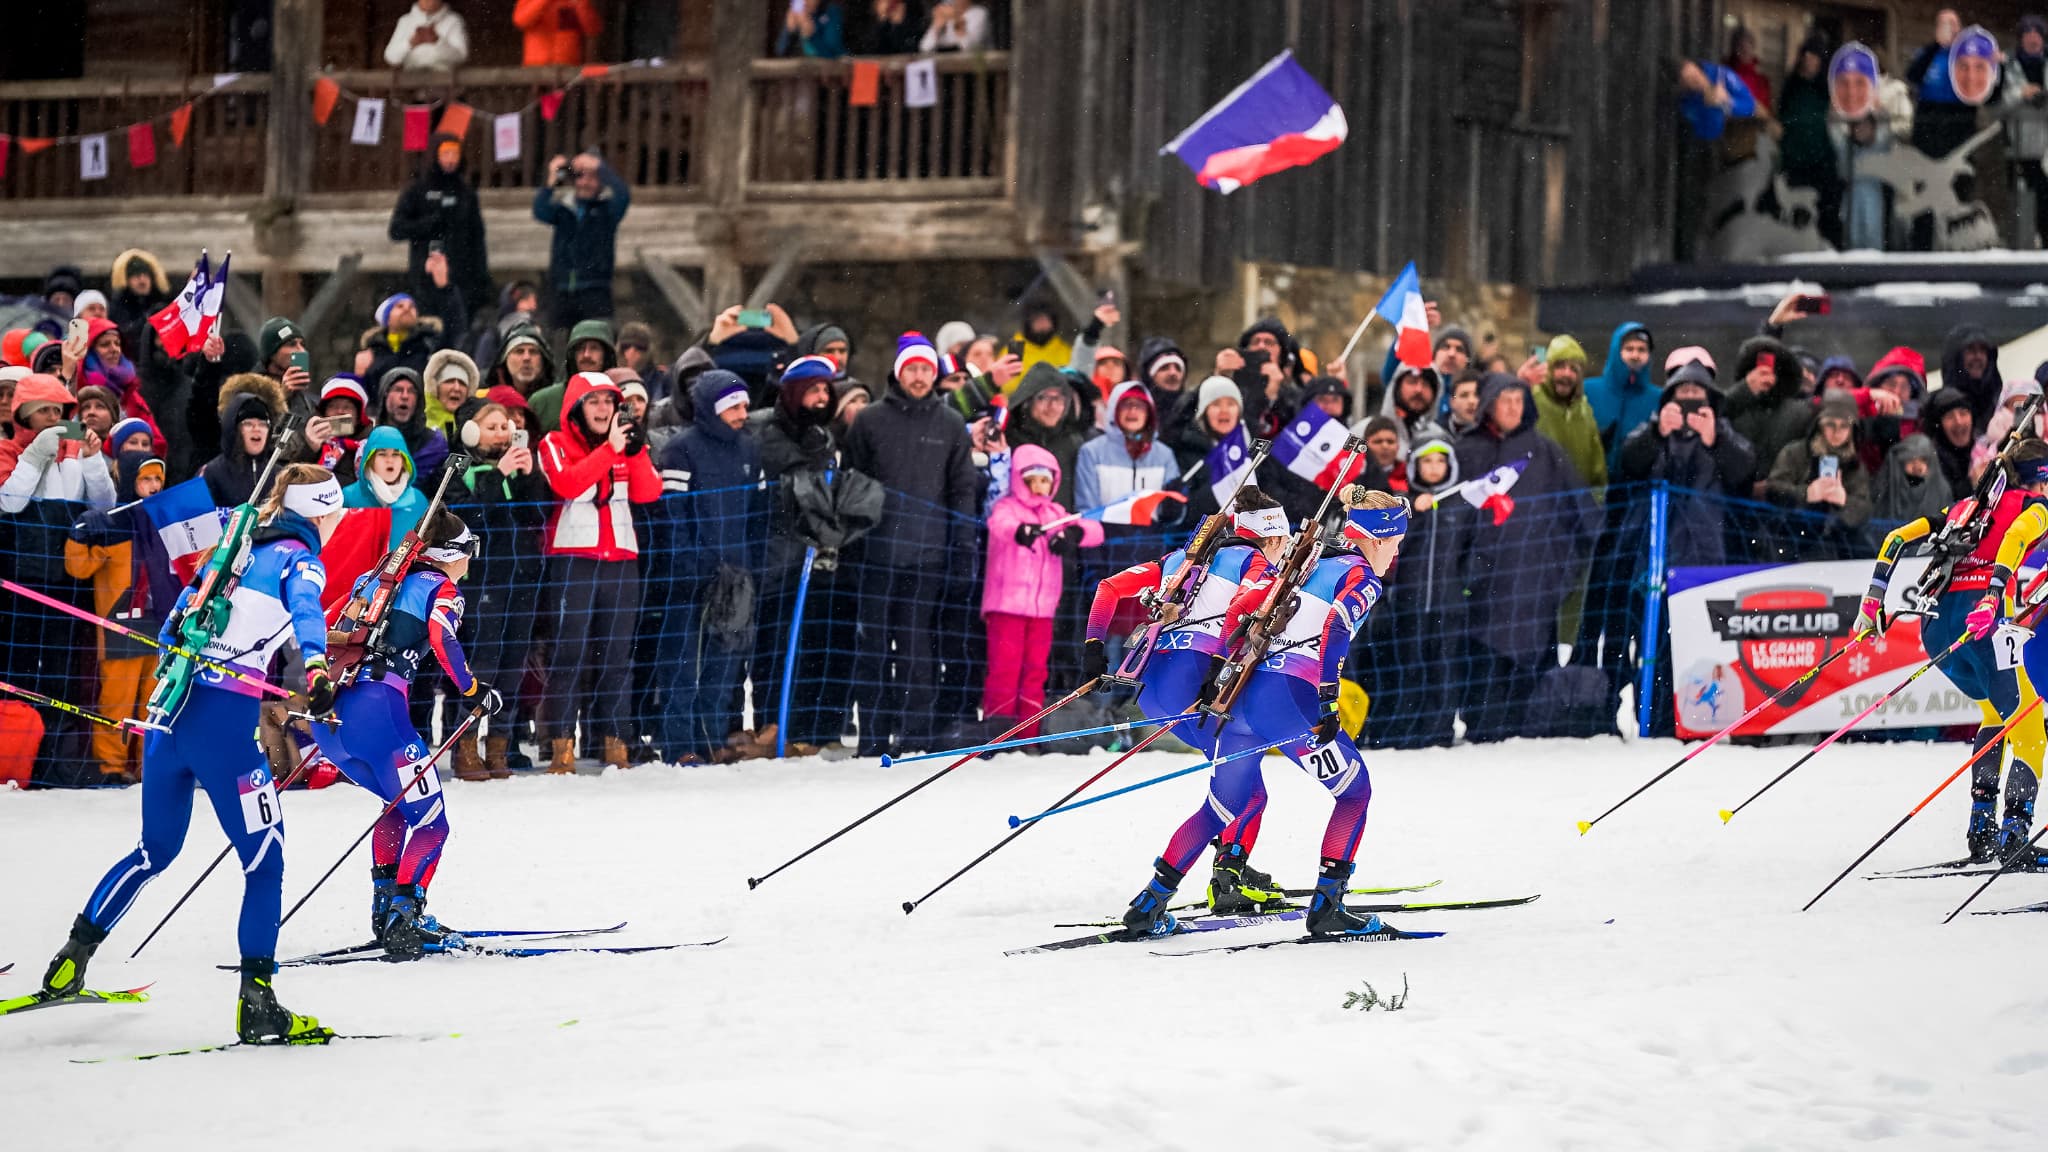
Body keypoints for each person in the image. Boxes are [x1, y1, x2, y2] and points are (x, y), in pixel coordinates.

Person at [36, 463, 346, 1043]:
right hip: (222, 732)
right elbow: (306, 609)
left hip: (169, 715)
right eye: (337, 512)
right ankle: (258, 1003)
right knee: (265, 861)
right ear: (321, 513)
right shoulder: (299, 559)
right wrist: (317, 664)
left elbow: (184, 610)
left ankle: (71, 958)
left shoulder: (234, 548)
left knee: (154, 850)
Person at [1119, 489, 1412, 941]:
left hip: (1245, 700)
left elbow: (1250, 613)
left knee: (1222, 807)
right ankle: (1328, 906)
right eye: (1394, 545)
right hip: (1290, 702)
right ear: (1376, 540)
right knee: (1355, 793)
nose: (1395, 556)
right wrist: (1329, 696)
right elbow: (1335, 624)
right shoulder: (1362, 578)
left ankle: (1150, 903)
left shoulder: (1309, 564)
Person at [1084, 487, 1289, 910]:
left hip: (1154, 690)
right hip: (1195, 688)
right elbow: (1243, 607)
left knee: (1240, 783)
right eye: (1283, 544)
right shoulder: (1254, 560)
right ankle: (1208, 883)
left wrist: (1092, 650)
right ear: (1271, 538)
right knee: (1246, 794)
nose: (1282, 552)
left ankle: (1230, 873)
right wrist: (1216, 669)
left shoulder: (1179, 560)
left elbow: (1108, 588)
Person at [1858, 438, 2048, 864]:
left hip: (1937, 631)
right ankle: (2015, 836)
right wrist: (1992, 595)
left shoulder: (1965, 508)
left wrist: (1872, 602)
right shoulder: (2032, 507)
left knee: (1996, 715)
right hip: (1985, 625)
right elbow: (2017, 537)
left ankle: (1981, 830)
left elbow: (1895, 539)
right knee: (2031, 728)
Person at [320, 509, 496, 956]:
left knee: (396, 806)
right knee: (433, 823)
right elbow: (441, 637)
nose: (471, 563)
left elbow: (332, 626)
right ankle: (405, 917)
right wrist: (474, 690)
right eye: (469, 552)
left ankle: (385, 910)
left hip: (333, 717)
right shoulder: (442, 586)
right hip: (380, 716)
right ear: (450, 554)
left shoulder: (374, 577)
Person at [838, 334, 981, 754]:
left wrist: (961, 552)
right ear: (898, 372)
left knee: (917, 649)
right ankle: (873, 738)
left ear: (934, 374)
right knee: (874, 649)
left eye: (925, 370)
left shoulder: (951, 423)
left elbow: (961, 492)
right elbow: (853, 487)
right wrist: (854, 548)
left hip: (928, 556)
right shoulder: (869, 421)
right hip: (876, 555)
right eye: (911, 369)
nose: (919, 377)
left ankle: (917, 735)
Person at [1454, 372, 1598, 742]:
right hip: (1478, 582)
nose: (1514, 407)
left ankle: (1525, 724)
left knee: (1527, 662)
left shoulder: (1545, 451)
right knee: (1480, 663)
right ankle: (1481, 726)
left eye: (1519, 400)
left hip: (1533, 580)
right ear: (1489, 405)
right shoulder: (1466, 450)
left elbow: (1584, 518)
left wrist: (1560, 572)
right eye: (1506, 400)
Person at [536, 370, 661, 772]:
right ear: (576, 409)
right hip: (574, 558)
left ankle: (614, 742)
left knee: (617, 656)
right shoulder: (554, 443)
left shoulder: (625, 445)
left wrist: (636, 450)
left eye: (609, 402)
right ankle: (561, 746)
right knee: (569, 653)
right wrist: (608, 451)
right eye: (594, 402)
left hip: (622, 559)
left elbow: (649, 491)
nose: (604, 409)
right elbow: (568, 484)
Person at [655, 370, 766, 764]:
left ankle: (712, 739)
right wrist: (690, 563)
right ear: (712, 408)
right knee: (683, 664)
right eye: (734, 406)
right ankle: (679, 745)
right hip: (692, 576)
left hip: (737, 576)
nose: (742, 413)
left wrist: (752, 565)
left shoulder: (750, 451)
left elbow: (759, 513)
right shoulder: (681, 449)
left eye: (745, 405)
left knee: (723, 665)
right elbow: (672, 514)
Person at [449, 401, 549, 776]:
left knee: (513, 662)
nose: (501, 433)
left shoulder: (516, 467)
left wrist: (527, 478)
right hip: (483, 578)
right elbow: (466, 517)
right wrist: (496, 475)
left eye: (504, 426)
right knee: (484, 662)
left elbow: (536, 516)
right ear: (472, 431)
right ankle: (465, 746)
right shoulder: (459, 466)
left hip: (520, 575)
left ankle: (499, 746)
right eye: (491, 427)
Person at [982, 444, 1103, 734]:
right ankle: (998, 732)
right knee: (1005, 669)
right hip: (1007, 607)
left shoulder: (1055, 513)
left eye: (1045, 480)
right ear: (1019, 480)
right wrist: (1021, 531)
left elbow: (1094, 530)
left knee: (1036, 671)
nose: (1038, 486)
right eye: (1031, 479)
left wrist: (1073, 533)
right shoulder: (1007, 507)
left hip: (1043, 610)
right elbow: (1000, 525)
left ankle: (1028, 733)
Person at [63, 451, 168, 784]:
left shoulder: (165, 525)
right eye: (145, 479)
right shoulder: (112, 524)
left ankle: (147, 766)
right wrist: (78, 537)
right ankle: (110, 766)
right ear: (129, 481)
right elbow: (78, 568)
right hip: (119, 627)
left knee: (154, 703)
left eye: (157, 480)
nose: (152, 487)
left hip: (159, 626)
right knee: (116, 703)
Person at [1361, 441, 1470, 749]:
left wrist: (1465, 583)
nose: (1434, 467)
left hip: (1448, 604)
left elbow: (1473, 549)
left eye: (1440, 461)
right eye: (1427, 461)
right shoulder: (1403, 506)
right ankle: (1407, 731)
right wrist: (1417, 515)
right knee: (1409, 666)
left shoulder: (1460, 505)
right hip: (1410, 603)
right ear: (1415, 467)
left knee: (1444, 667)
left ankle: (1439, 730)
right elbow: (1394, 549)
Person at [389, 133, 491, 319]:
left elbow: (477, 238)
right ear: (435, 155)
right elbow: (396, 229)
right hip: (425, 275)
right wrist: (428, 224)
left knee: (459, 326)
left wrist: (482, 278)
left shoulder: (466, 193)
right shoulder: (417, 190)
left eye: (455, 153)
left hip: (461, 276)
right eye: (446, 154)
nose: (450, 159)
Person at [1764, 392, 1873, 560]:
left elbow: (1864, 509)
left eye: (1844, 425)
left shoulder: (1855, 465)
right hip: (1791, 548)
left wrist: (1844, 502)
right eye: (1830, 424)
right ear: (1819, 425)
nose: (1837, 431)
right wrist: (1806, 494)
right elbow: (1772, 489)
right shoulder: (1795, 453)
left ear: (1852, 430)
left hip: (1839, 554)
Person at [533, 151, 630, 330]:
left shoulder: (607, 210)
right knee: (560, 348)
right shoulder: (564, 209)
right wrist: (553, 178)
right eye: (580, 177)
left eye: (592, 178)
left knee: (597, 344)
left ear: (600, 181)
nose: (585, 183)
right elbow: (540, 210)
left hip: (596, 290)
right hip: (562, 289)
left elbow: (623, 195)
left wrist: (600, 167)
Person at [1725, 336, 1811, 499]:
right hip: (1734, 500)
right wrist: (1744, 389)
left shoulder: (1800, 413)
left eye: (1771, 371)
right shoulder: (1734, 405)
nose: (1764, 376)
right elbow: (1714, 412)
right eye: (1758, 371)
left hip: (1781, 504)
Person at [1074, 381, 1175, 513]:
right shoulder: (1092, 452)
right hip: (1108, 532)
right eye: (1126, 405)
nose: (1132, 411)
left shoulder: (1164, 455)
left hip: (1151, 533)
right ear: (1114, 410)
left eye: (1139, 406)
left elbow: (1172, 509)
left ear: (1149, 413)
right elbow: (1087, 509)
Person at [1532, 334, 1607, 500]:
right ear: (1549, 369)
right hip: (1536, 508)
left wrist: (1593, 506)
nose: (1567, 374)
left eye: (1574, 369)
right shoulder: (1532, 401)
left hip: (1575, 511)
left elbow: (1597, 471)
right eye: (1560, 366)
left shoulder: (1584, 412)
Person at [200, 373, 286, 508]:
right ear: (234, 428)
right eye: (248, 423)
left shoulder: (279, 474)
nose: (257, 429)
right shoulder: (213, 472)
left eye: (263, 424)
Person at [343, 425, 430, 546]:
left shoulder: (418, 499)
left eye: (395, 454)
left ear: (404, 460)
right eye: (382, 454)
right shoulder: (348, 496)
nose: (390, 460)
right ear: (370, 459)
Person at [2006, 16, 2048, 250]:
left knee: (2046, 205)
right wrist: (2021, 95)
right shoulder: (2009, 67)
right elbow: (1996, 106)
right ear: (2021, 39)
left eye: (2037, 33)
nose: (2032, 37)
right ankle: (2021, 252)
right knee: (2021, 207)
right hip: (2019, 149)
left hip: (2046, 150)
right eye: (2027, 33)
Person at [377, 367, 451, 486]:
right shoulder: (368, 442)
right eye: (398, 389)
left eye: (411, 391)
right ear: (385, 394)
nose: (405, 396)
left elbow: (453, 484)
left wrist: (461, 453)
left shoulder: (435, 444)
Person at [1874, 433, 1954, 524]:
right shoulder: (1890, 488)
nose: (1917, 465)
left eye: (1923, 459)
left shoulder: (1941, 490)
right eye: (1911, 459)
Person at [1941, 323, 2004, 433]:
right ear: (1956, 358)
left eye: (1982, 350)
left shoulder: (2002, 402)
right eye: (1971, 350)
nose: (1978, 356)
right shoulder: (1940, 406)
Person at [383, 0, 470, 69]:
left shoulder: (453, 20)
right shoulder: (405, 21)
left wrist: (437, 41)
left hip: (444, 84)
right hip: (411, 84)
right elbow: (391, 58)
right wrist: (410, 43)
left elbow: (461, 57)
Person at [512, 0, 601, 66]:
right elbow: (520, 21)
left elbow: (593, 30)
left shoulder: (575, 3)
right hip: (537, 69)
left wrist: (581, 5)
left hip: (569, 69)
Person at [1926, 385, 1978, 496]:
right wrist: (1971, 483)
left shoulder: (1985, 449)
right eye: (1949, 416)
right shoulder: (1933, 462)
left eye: (1963, 413)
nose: (1958, 421)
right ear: (1940, 426)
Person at [776, 0, 846, 58]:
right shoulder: (796, 14)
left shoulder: (831, 12)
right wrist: (790, 32)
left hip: (827, 70)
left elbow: (834, 54)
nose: (805, 2)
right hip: (801, 69)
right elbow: (781, 51)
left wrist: (812, 36)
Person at [856, 0, 922, 55]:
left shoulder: (912, 14)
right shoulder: (864, 20)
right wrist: (881, 20)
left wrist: (898, 26)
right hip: (873, 65)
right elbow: (866, 49)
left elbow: (912, 49)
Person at [921, 1, 989, 52]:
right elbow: (925, 48)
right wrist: (937, 28)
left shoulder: (978, 13)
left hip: (967, 66)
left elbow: (971, 50)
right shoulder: (944, 12)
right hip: (942, 63)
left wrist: (960, 26)